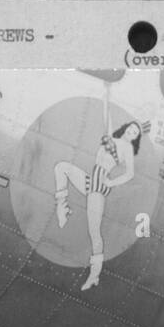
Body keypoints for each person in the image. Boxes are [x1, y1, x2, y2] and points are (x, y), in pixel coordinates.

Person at [53, 118, 148, 290]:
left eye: (135, 132)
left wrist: (111, 183)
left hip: (98, 187)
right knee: (61, 167)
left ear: (136, 138)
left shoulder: (126, 148)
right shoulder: (113, 139)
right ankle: (63, 207)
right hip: (91, 180)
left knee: (94, 232)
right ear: (125, 128)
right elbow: (107, 120)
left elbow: (130, 174)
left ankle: (94, 275)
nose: (131, 132)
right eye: (130, 128)